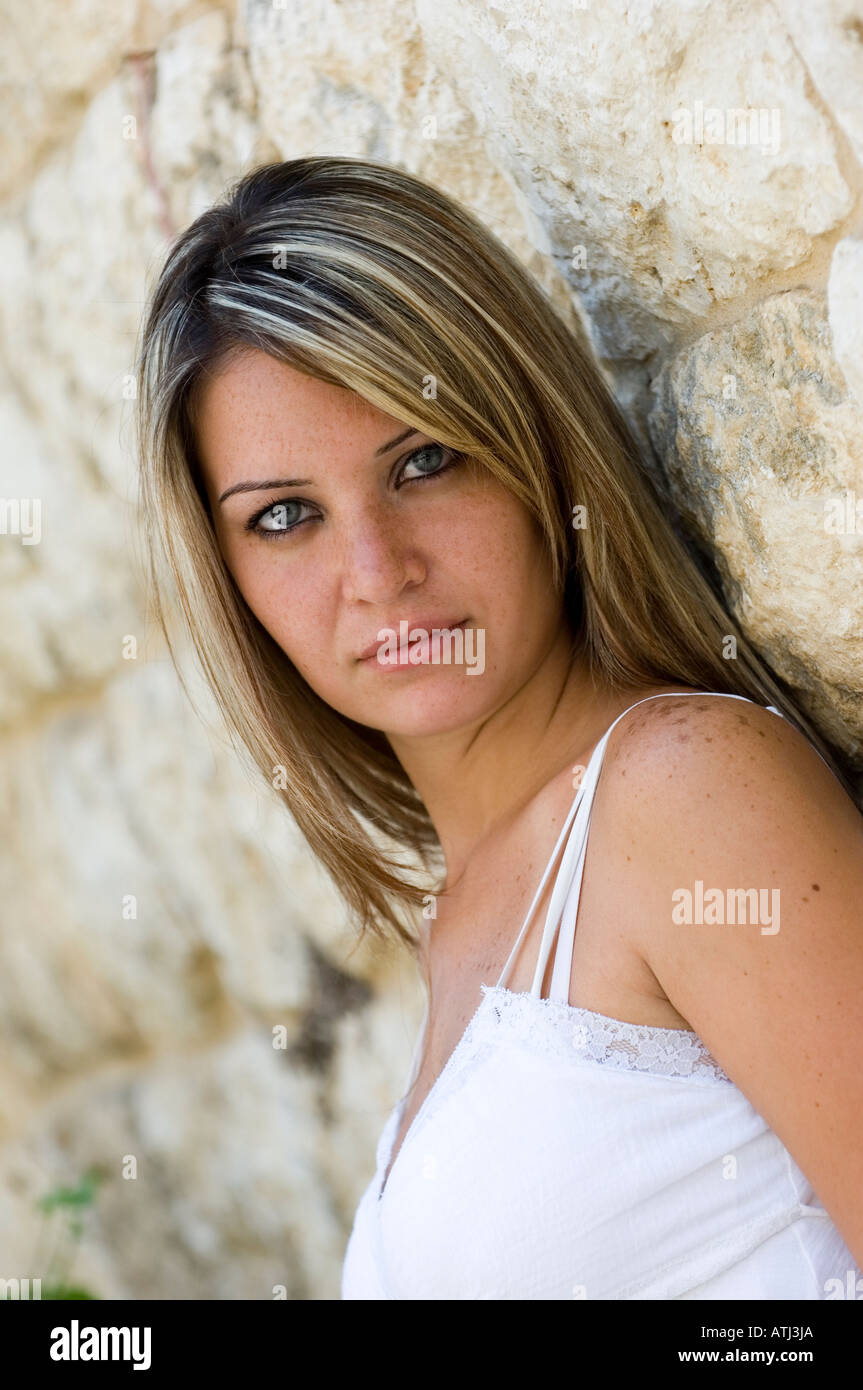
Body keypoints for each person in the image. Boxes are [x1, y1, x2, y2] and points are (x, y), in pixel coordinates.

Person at [135, 156, 863, 1299]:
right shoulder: (466, 915)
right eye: (286, 516)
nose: (377, 572)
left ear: (534, 450)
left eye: (423, 460)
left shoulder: (683, 794)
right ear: (230, 578)